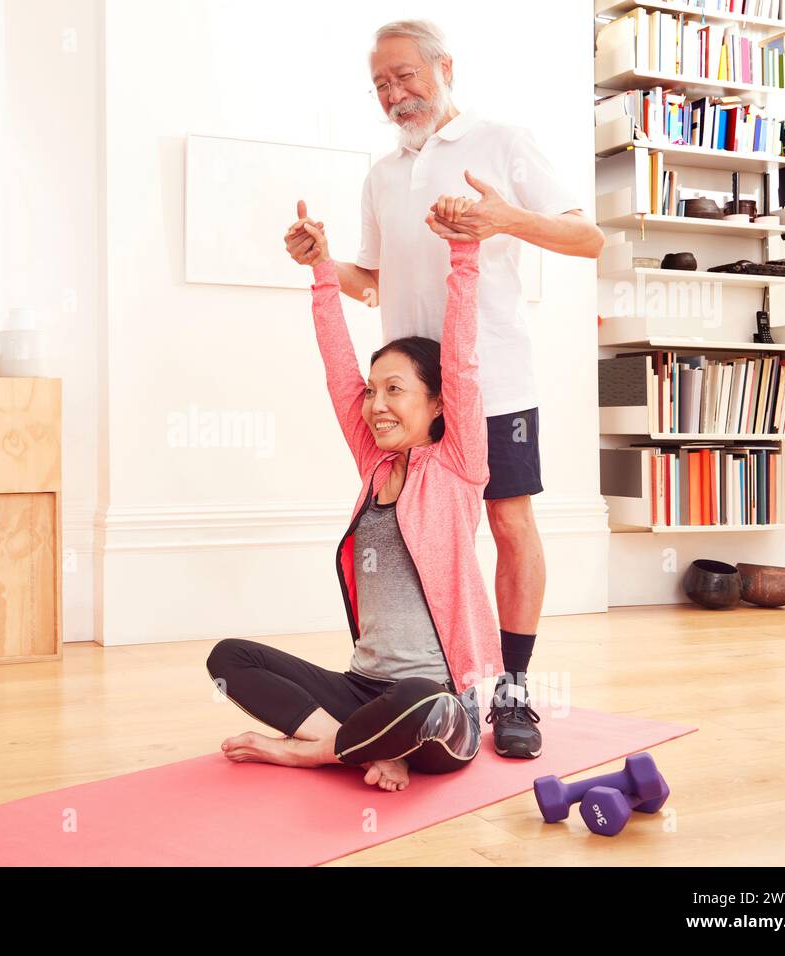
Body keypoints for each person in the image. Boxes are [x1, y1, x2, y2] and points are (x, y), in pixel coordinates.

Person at [284, 19, 605, 758]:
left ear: (444, 68)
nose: (396, 94)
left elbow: (586, 237)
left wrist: (502, 219)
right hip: (412, 396)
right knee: (428, 539)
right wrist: (325, 260)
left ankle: (514, 688)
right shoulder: (382, 174)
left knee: (509, 526)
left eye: (406, 76)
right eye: (382, 85)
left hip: (492, 380)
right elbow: (372, 283)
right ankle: (439, 680)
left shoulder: (502, 140)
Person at [206, 198, 496, 793]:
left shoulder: (458, 465)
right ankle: (356, 745)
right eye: (372, 391)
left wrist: (464, 254)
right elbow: (337, 368)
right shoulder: (373, 465)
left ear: (438, 403)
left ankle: (310, 752)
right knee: (229, 660)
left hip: (437, 704)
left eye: (396, 390)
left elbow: (461, 363)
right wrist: (321, 272)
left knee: (423, 702)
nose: (376, 404)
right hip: (361, 690)